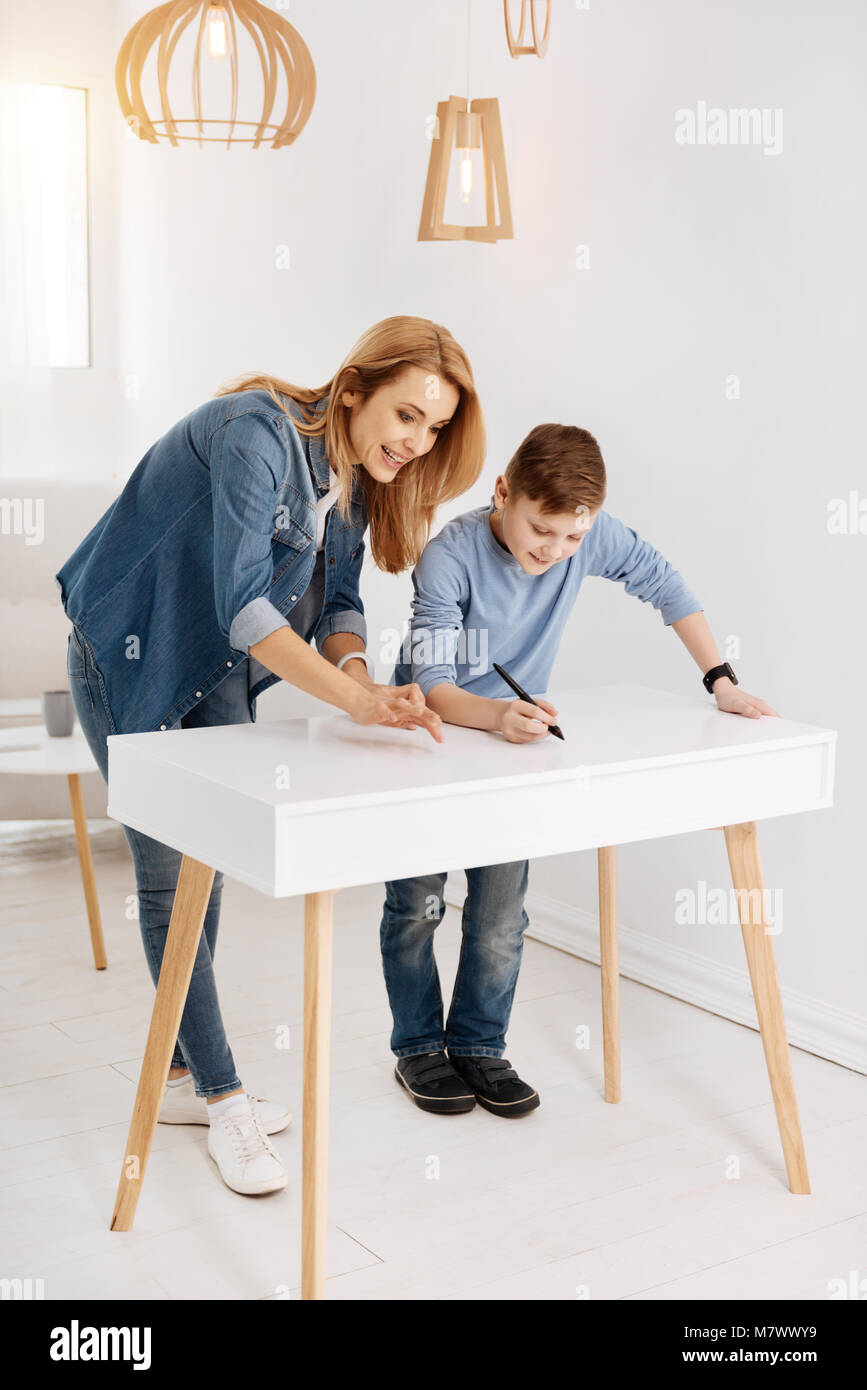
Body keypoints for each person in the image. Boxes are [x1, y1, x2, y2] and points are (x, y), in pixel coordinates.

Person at [56, 316, 485, 1194]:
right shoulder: (256, 431)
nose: (416, 441)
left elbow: (339, 600)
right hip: (126, 646)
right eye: (406, 415)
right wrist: (357, 701)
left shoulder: (357, 475)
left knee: (204, 867)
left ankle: (182, 1078)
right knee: (165, 873)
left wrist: (368, 682)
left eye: (433, 428)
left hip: (210, 662)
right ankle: (223, 1100)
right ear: (353, 387)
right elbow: (247, 606)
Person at [382, 422, 778, 1118]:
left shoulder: (585, 536)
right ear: (503, 493)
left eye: (572, 538)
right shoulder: (449, 555)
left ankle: (479, 1047)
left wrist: (718, 678)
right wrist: (497, 716)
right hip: (429, 736)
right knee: (415, 905)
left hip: (512, 744)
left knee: (501, 914)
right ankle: (418, 1047)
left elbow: (668, 586)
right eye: (542, 530)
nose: (557, 551)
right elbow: (434, 683)